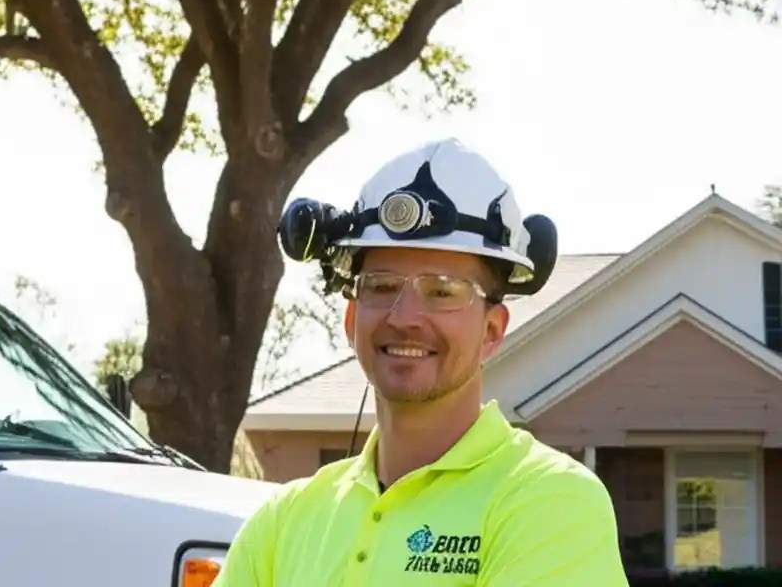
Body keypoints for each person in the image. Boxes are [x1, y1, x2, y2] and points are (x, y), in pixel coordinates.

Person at [213, 138, 628, 586]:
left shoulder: (550, 501)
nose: (404, 317)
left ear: (492, 330)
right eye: (382, 287)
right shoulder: (283, 521)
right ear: (352, 318)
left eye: (443, 291)